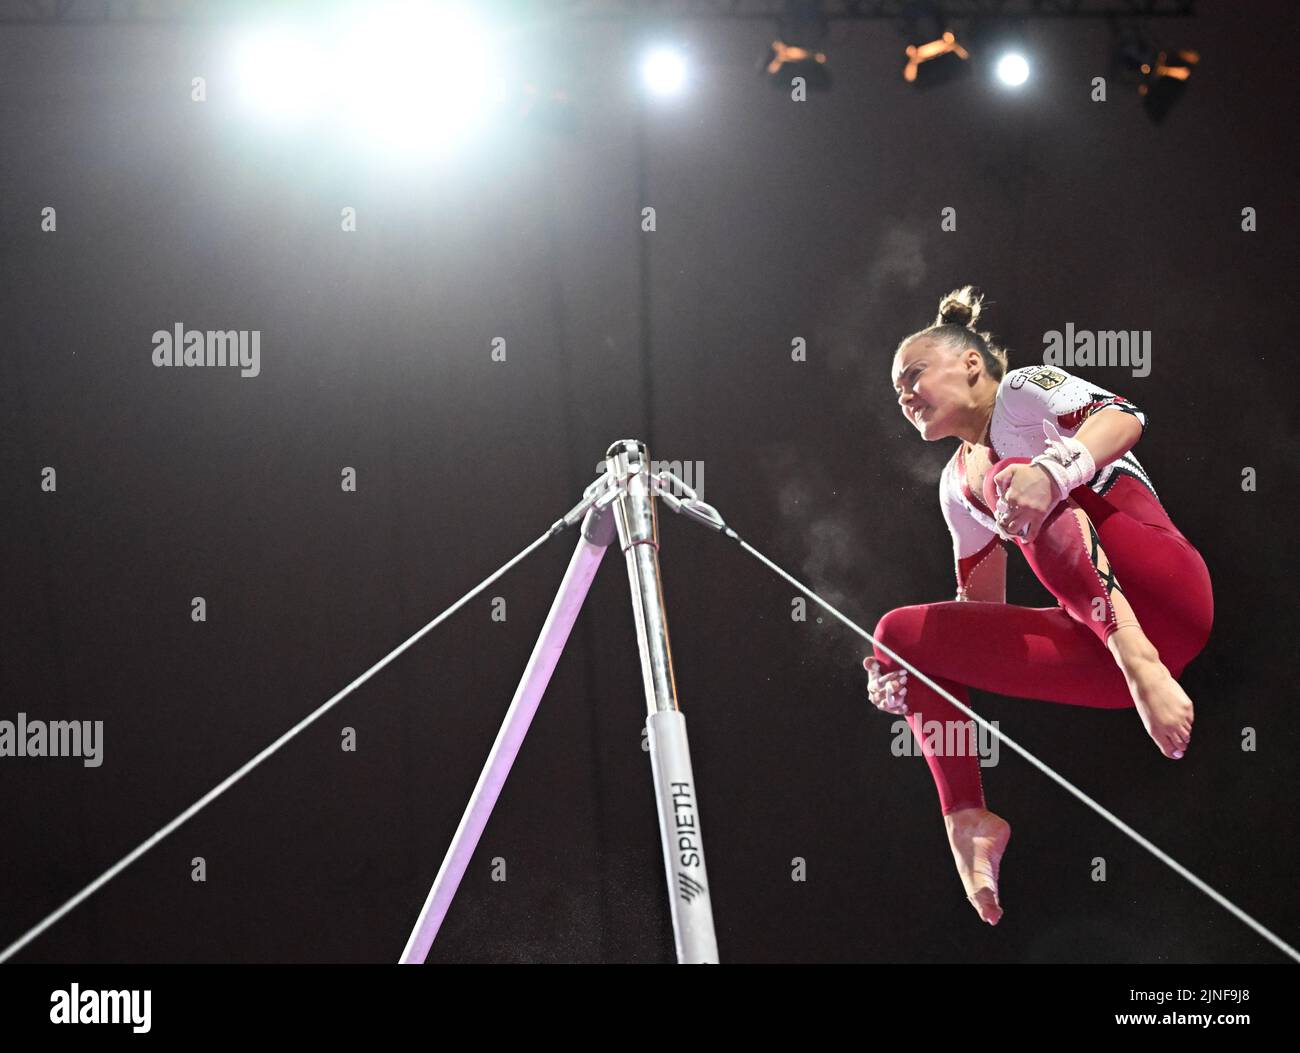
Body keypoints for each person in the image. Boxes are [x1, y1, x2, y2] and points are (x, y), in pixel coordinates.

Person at [863, 286, 1213, 925]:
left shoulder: (1024, 390)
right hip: (1100, 658)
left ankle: (1135, 652)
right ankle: (968, 820)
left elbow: (1125, 415)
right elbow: (981, 622)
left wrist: (1051, 471)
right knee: (899, 636)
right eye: (897, 390)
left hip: (1165, 592)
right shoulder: (953, 490)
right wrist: (912, 679)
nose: (904, 394)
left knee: (1016, 475)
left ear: (970, 363)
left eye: (913, 374)